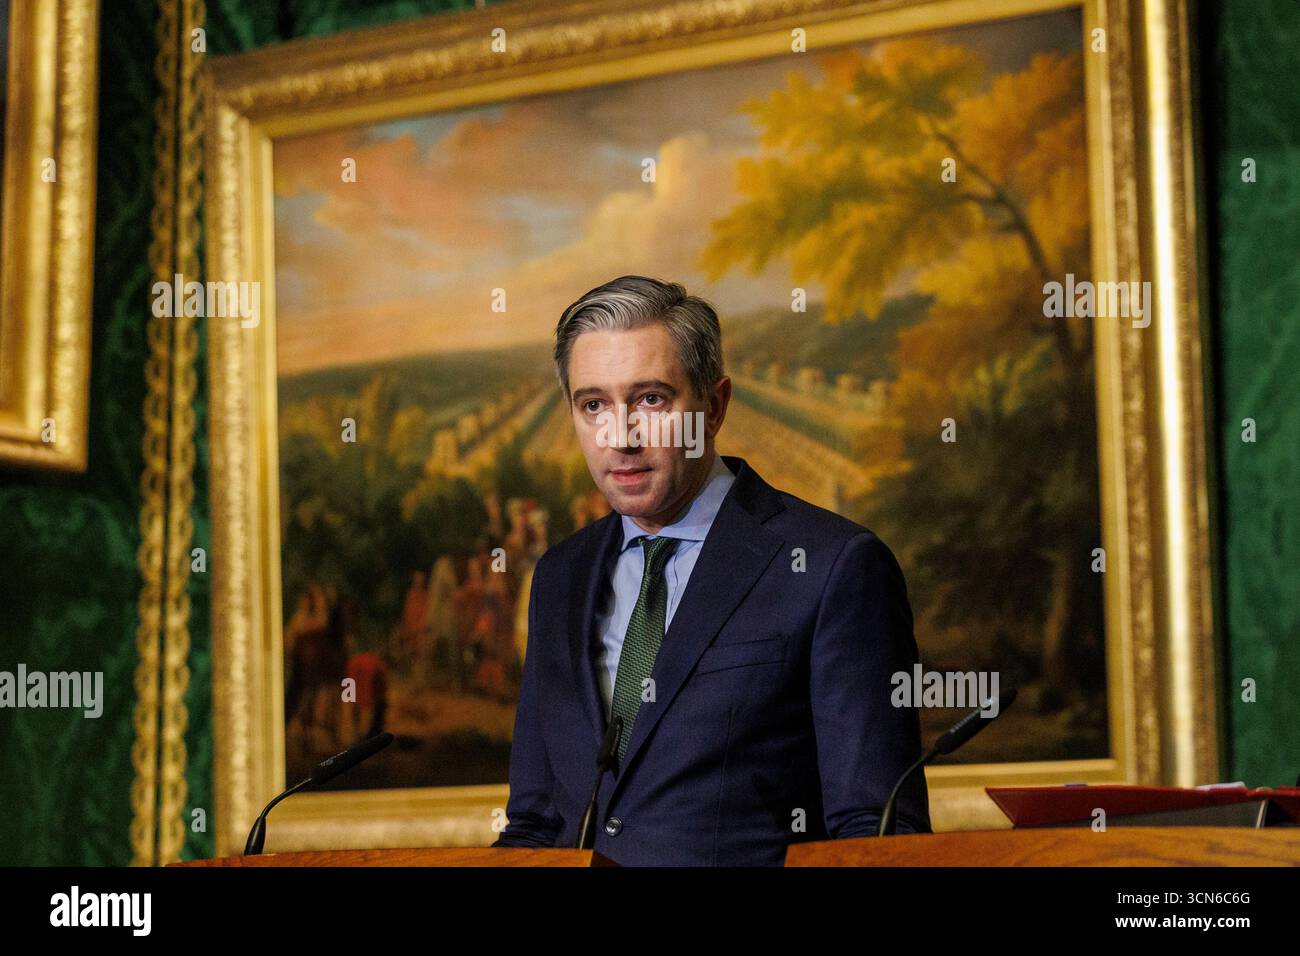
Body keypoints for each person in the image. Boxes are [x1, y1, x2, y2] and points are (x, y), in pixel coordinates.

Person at [493, 275, 930, 865]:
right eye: (593, 404)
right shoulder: (559, 576)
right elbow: (536, 823)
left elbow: (877, 833)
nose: (619, 437)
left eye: (650, 399)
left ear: (715, 406)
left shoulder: (834, 567)